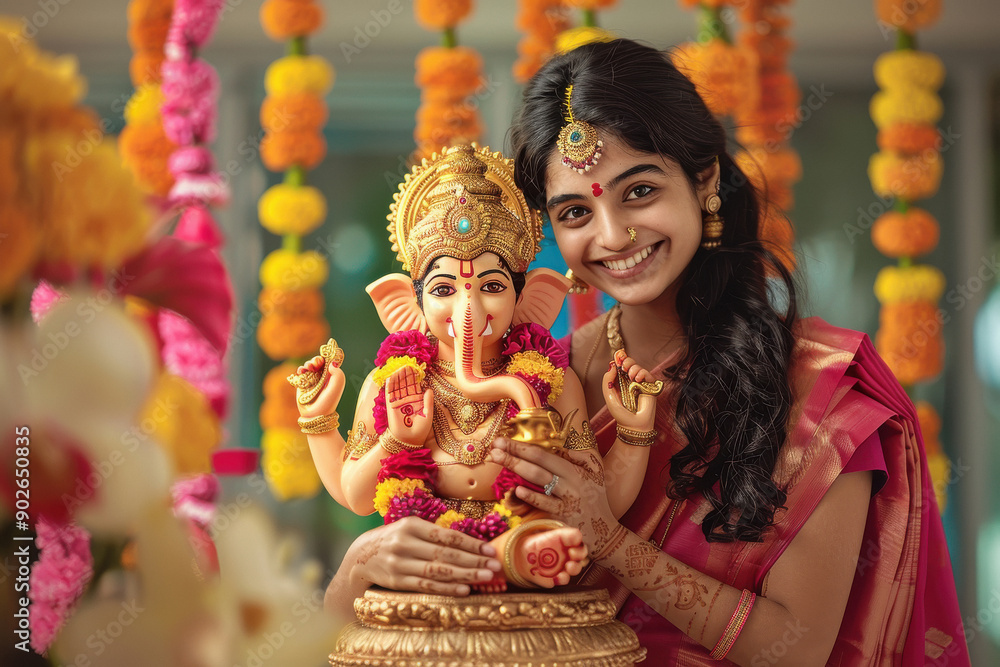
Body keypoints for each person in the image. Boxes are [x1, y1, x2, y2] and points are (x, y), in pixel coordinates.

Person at [482, 38, 969, 665]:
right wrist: (369, 566)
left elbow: (796, 650)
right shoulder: (537, 381)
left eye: (639, 191)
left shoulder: (816, 391)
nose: (613, 236)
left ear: (704, 179)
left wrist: (608, 540)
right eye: (576, 211)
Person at [296, 144, 657, 597]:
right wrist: (389, 438)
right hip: (422, 556)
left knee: (548, 535)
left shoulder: (552, 382)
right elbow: (356, 496)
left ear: (529, 300)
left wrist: (633, 433)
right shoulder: (393, 384)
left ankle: (515, 555)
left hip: (521, 540)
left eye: (491, 286)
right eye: (444, 289)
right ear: (406, 304)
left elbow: (597, 502)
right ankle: (497, 560)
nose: (469, 307)